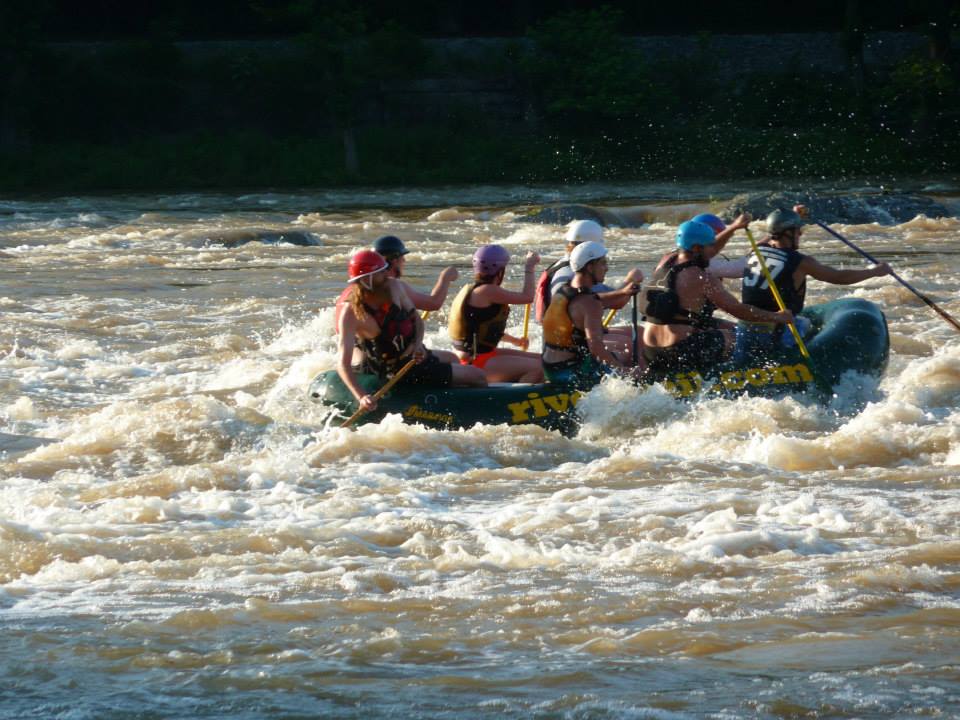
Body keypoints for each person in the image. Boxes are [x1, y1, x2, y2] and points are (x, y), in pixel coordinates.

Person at [337, 250, 485, 413]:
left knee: (452, 358)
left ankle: (445, 403)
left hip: (414, 357)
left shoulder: (394, 287)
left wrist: (417, 345)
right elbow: (343, 364)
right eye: (381, 272)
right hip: (395, 371)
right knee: (478, 376)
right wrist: (362, 397)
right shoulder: (352, 313)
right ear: (367, 280)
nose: (387, 273)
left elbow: (418, 322)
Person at [736, 206, 892, 358]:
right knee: (807, 325)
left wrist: (792, 217)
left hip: (746, 329)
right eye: (798, 231)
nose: (800, 234)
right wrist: (874, 272)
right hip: (778, 328)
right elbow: (838, 277)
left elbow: (774, 236)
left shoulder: (754, 251)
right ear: (788, 233)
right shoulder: (801, 262)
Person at [643, 221, 794, 376]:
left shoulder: (665, 260)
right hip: (679, 352)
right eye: (710, 246)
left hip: (650, 351)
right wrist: (777, 316)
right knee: (738, 338)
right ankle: (740, 376)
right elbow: (739, 310)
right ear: (696, 248)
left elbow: (709, 249)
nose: (714, 251)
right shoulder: (703, 278)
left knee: (712, 328)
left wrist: (736, 227)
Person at [541, 241, 644, 387]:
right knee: (629, 359)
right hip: (570, 372)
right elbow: (596, 349)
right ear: (589, 267)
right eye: (602, 263)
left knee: (619, 353)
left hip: (550, 367)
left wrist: (622, 292)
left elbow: (593, 300)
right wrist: (625, 372)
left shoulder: (565, 289)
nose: (606, 268)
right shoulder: (590, 304)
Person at [448, 244, 544, 383]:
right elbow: (527, 297)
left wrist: (515, 341)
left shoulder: (474, 289)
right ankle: (515, 401)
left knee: (544, 359)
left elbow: (484, 330)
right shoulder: (487, 291)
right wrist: (529, 267)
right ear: (500, 271)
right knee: (540, 367)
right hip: (475, 362)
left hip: (480, 355)